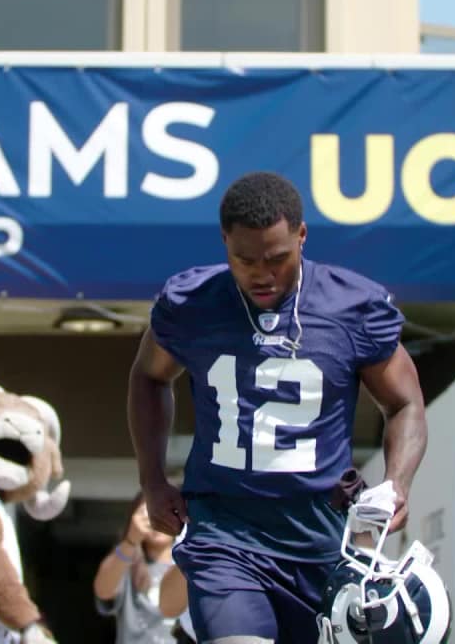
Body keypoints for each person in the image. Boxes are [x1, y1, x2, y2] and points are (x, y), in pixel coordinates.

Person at [126, 171, 428, 643]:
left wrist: (398, 483)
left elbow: (404, 401)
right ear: (223, 241)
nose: (261, 274)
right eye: (244, 260)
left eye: (277, 258)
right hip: (225, 534)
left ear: (302, 236)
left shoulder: (351, 306)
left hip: (321, 539)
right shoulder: (192, 305)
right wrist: (152, 477)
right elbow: (148, 376)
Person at [94, 494, 180, 644]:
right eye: (151, 512)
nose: (159, 520)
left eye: (168, 511)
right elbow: (103, 590)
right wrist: (131, 541)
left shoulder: (191, 564)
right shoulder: (126, 561)